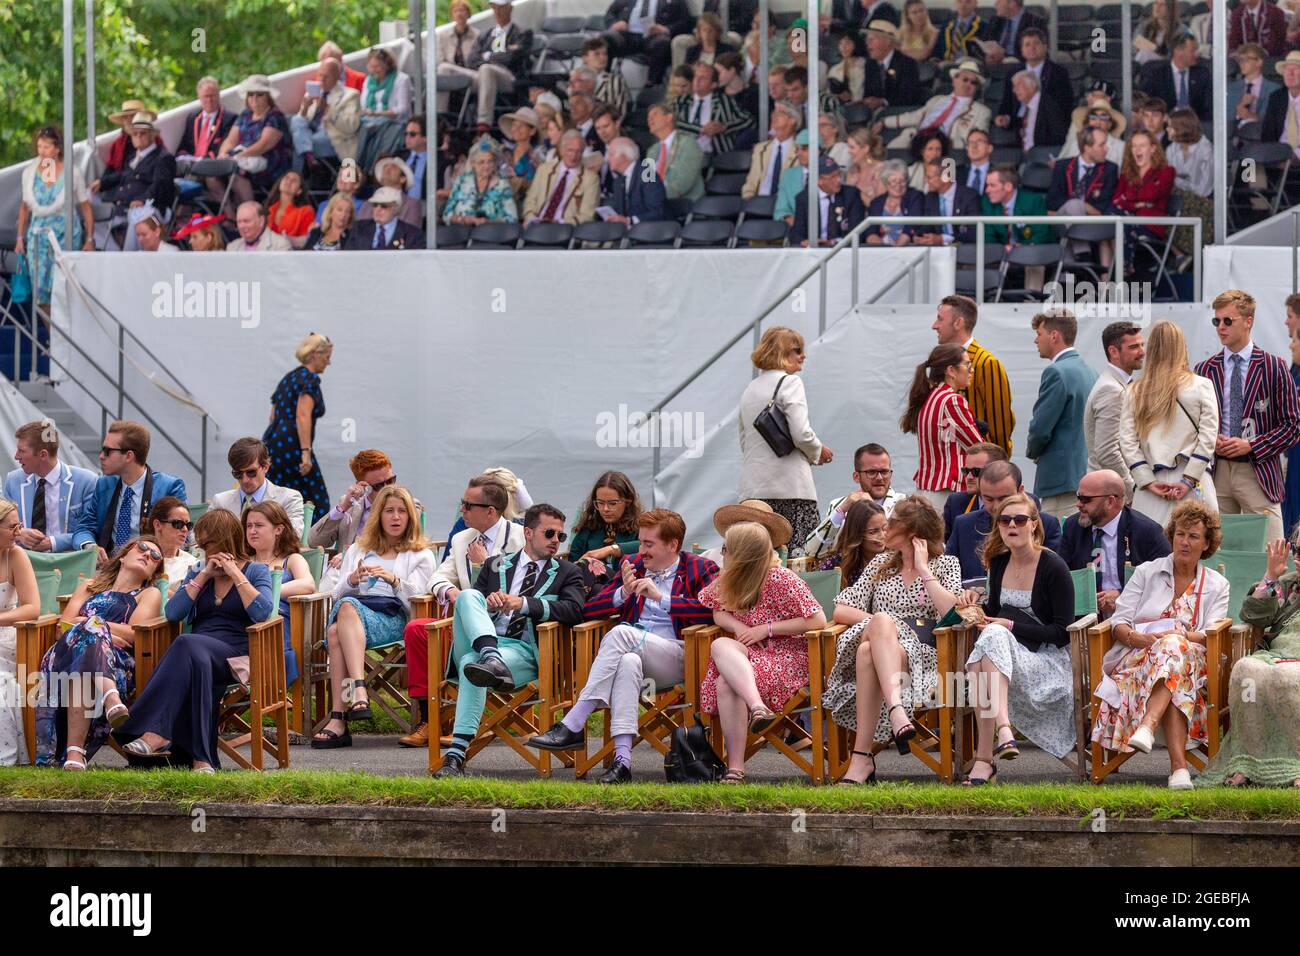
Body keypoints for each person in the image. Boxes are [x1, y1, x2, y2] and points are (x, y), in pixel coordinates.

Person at [527, 508, 718, 783]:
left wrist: (662, 599)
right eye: (640, 542)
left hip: (681, 654)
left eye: (649, 544)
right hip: (636, 656)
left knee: (621, 633)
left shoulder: (700, 568)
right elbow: (588, 610)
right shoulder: (634, 566)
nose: (642, 551)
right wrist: (622, 593)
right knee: (627, 661)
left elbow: (714, 612)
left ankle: (574, 722)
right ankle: (622, 762)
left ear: (673, 544)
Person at [113, 510, 274, 771]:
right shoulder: (199, 571)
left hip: (236, 654)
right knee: (193, 654)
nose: (204, 550)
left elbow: (262, 612)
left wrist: (234, 573)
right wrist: (203, 577)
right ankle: (202, 760)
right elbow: (175, 613)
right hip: (197, 656)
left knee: (186, 644)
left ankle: (155, 733)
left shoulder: (256, 571)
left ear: (227, 540)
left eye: (208, 544)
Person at [433, 504, 587, 776]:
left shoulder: (567, 572)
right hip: (487, 639)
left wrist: (523, 604)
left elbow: (574, 610)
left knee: (472, 664)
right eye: (549, 533)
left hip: (525, 651)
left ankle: (455, 757)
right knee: (468, 596)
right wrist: (491, 605)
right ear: (528, 532)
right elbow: (475, 605)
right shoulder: (496, 564)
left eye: (560, 536)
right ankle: (490, 655)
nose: (555, 541)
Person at [824, 496, 962, 783]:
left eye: (891, 524)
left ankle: (861, 759)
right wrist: (880, 627)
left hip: (923, 656)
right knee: (881, 623)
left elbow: (951, 613)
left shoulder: (945, 565)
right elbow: (841, 608)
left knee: (866, 654)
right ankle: (897, 711)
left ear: (911, 533)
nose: (883, 529)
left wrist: (924, 571)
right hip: (884, 644)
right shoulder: (880, 565)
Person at [1092, 501, 1229, 790]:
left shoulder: (1217, 584)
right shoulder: (1146, 572)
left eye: (1193, 536)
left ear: (1206, 543)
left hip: (1191, 660)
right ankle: (1178, 769)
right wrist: (1137, 638)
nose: (1184, 542)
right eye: (1180, 534)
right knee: (1174, 675)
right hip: (1140, 657)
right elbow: (1119, 622)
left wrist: (1175, 636)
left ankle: (1148, 726)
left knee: (1173, 652)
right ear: (1171, 536)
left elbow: (1209, 633)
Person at [397, 474, 525, 748]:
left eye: (468, 505)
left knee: (466, 637)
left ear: (490, 511)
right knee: (417, 629)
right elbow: (436, 577)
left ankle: (466, 721)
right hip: (466, 626)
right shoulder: (461, 539)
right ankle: (430, 719)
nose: (461, 511)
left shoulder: (519, 537)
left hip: (507, 629)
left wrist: (486, 563)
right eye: (462, 503)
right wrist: (453, 592)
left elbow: (517, 587)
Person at [957, 494, 1075, 784]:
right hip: (1002, 658)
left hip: (1046, 661)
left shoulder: (1053, 566)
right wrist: (976, 604)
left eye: (1020, 519)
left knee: (987, 649)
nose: (1012, 525)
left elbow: (1061, 633)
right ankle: (1001, 738)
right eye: (1005, 520)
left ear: (1034, 525)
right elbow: (995, 613)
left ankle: (987, 755)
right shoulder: (998, 563)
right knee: (986, 649)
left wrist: (1007, 625)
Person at [696, 521, 827, 784]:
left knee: (726, 683)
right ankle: (757, 708)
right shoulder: (731, 578)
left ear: (742, 553)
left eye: (726, 548)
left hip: (788, 656)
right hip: (749, 657)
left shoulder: (781, 578)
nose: (722, 553)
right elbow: (717, 611)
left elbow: (817, 620)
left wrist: (765, 629)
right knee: (720, 644)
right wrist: (738, 625)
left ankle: (735, 767)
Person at [311, 486, 435, 749]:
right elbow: (337, 593)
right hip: (354, 611)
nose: (395, 517)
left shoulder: (420, 553)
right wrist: (352, 580)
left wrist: (394, 580)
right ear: (379, 515)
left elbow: (420, 599)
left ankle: (340, 716)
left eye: (402, 511)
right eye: (389, 510)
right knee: (343, 614)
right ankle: (356, 694)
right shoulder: (359, 549)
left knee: (336, 630)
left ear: (410, 517)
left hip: (392, 617)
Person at [34, 536, 164, 768]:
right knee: (86, 642)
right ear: (123, 556)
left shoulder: (149, 594)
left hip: (116, 664)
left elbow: (135, 634)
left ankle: (74, 755)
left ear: (154, 572)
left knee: (85, 660)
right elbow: (63, 626)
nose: (148, 554)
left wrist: (92, 625)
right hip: (63, 654)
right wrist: (102, 630)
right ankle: (110, 698)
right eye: (143, 548)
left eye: (155, 556)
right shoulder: (89, 586)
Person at [1195, 290, 1300, 544]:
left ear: (1248, 321)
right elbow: (1195, 423)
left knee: (1270, 550)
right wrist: (1211, 440)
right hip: (1216, 470)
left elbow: (1292, 426)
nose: (1221, 327)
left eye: (1227, 321)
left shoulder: (1274, 366)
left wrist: (1252, 444)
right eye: (1216, 321)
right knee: (1216, 553)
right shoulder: (1205, 369)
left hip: (1258, 470)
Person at [1199, 532, 1300, 787]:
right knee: (1245, 671)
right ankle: (1246, 762)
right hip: (1275, 657)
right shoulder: (1288, 586)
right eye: (1297, 550)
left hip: (1292, 664)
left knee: (1287, 678)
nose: (1298, 558)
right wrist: (1271, 577)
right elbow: (1252, 617)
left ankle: (1295, 766)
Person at [738, 326, 833, 557]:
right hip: (791, 490)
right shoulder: (790, 383)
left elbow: (744, 441)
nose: (803, 355)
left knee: (756, 561)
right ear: (781, 352)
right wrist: (818, 451)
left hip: (754, 492)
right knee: (800, 560)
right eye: (797, 350)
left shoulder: (750, 389)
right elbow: (801, 433)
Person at [1118, 320, 1219, 526]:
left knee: (1147, 553)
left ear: (1151, 348)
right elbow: (1208, 438)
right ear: (1182, 347)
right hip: (1195, 483)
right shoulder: (1202, 386)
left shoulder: (1134, 391)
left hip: (1151, 489)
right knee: (1201, 549)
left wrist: (1146, 481)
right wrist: (1189, 479)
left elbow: (1127, 442)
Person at [1055, 469, 1172, 617]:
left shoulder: (1147, 532)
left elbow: (1165, 579)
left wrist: (1122, 595)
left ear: (1110, 501)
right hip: (1085, 619)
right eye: (1078, 497)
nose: (1078, 504)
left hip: (1133, 615)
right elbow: (1060, 575)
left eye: (1085, 499)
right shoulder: (1073, 526)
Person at [71, 421, 187, 558]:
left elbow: (179, 537)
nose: (101, 456)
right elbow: (84, 527)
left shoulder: (169, 487)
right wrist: (89, 546)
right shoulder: (104, 484)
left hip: (151, 566)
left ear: (129, 456)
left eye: (108, 451)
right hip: (108, 567)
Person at [1027, 310, 1099, 520]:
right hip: (1083, 473)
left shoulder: (1056, 372)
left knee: (1057, 543)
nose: (1035, 340)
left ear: (1054, 336)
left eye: (1039, 334)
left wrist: (1033, 451)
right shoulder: (1090, 370)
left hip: (1060, 481)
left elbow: (1040, 429)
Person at [16, 126, 94, 311]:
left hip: (65, 233)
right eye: (40, 147)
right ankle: (53, 336)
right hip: (38, 236)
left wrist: (90, 238)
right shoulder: (29, 173)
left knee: (62, 289)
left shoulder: (72, 172)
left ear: (57, 148)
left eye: (47, 147)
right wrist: (20, 238)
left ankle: (65, 336)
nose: (42, 151)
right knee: (40, 290)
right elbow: (24, 207)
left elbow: (85, 206)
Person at [947, 459, 1064, 581]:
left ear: (1021, 491)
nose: (997, 507)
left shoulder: (1047, 525)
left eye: (1004, 499)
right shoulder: (964, 524)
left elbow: (1056, 577)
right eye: (988, 499)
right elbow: (947, 575)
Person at [901, 343, 982, 512]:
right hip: (948, 492)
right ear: (951, 371)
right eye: (967, 365)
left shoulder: (931, 396)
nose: (971, 370)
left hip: (929, 489)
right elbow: (979, 449)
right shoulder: (952, 400)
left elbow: (948, 438)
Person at [930, 294, 1014, 455]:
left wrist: (995, 464)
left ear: (958, 323)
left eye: (940, 319)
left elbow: (1000, 424)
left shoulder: (986, 363)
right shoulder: (941, 361)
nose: (935, 326)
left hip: (977, 466)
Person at [244, 501, 314, 690]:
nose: (252, 531)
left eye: (259, 525)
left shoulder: (291, 559)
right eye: (249, 526)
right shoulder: (244, 562)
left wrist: (267, 595)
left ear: (278, 529)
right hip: (243, 624)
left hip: (279, 628)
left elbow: (308, 585)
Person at [264, 332, 332, 517]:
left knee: (278, 500)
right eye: (327, 357)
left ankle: (281, 539)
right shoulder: (309, 379)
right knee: (317, 501)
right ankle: (306, 541)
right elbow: (303, 415)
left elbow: (272, 416)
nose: (328, 362)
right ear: (315, 354)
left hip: (273, 444)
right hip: (293, 447)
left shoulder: (288, 378)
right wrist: (305, 453)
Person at [5, 420, 97, 553]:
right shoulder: (13, 481)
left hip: (69, 563)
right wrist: (19, 533)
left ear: (43, 454)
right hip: (25, 563)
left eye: (21, 451)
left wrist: (53, 543)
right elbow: (3, 526)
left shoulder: (86, 481)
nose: (16, 456)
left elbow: (92, 531)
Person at [91, 111, 177, 251]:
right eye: (134, 134)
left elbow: (160, 185)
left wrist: (142, 200)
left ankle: (128, 256)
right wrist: (102, 182)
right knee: (89, 207)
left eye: (142, 133)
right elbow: (122, 175)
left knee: (138, 213)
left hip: (152, 210)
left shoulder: (163, 157)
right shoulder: (133, 157)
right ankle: (113, 252)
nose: (138, 137)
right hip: (122, 207)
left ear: (152, 135)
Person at [805, 442, 903, 559]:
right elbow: (812, 552)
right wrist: (841, 511)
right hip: (848, 575)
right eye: (871, 472)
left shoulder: (903, 504)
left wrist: (872, 509)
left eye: (884, 471)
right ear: (856, 477)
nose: (879, 477)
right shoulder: (839, 505)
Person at [1084, 321, 1145, 501]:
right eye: (1134, 347)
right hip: (1113, 496)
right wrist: (1133, 488)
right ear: (1113, 351)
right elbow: (1107, 451)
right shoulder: (1111, 389)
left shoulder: (1119, 385)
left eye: (1142, 345)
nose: (1142, 351)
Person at [0, 499, 41, 764]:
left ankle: (5, 757)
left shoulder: (15, 556)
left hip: (7, 640)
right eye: (12, 527)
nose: (19, 533)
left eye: (20, 526)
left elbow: (32, 609)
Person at [876, 59, 989, 151]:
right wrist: (884, 122)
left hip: (947, 147)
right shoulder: (937, 100)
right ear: (955, 80)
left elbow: (979, 140)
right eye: (965, 79)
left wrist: (955, 144)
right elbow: (915, 116)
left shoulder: (981, 111)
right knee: (889, 160)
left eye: (973, 82)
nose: (968, 84)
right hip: (918, 138)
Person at [215, 75, 291, 210]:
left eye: (260, 94)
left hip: (269, 163)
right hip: (243, 158)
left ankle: (252, 214)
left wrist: (238, 156)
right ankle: (230, 218)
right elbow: (231, 139)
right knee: (212, 176)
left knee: (236, 174)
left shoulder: (275, 116)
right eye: (250, 94)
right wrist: (223, 154)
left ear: (268, 96)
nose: (254, 98)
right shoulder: (245, 114)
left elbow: (264, 145)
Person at [1107, 131, 1176, 278]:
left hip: (1149, 225)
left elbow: (1152, 195)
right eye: (1134, 146)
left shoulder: (1166, 171)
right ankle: (1121, 271)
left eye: (1142, 146)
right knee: (1112, 216)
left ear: (1152, 148)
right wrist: (1139, 204)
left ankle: (1121, 273)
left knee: (1117, 225)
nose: (1137, 150)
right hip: (1126, 223)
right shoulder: (1127, 174)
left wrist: (1129, 199)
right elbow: (1116, 201)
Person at [209, 436, 305, 538]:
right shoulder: (220, 501)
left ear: (266, 467)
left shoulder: (288, 498)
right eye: (238, 474)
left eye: (251, 472)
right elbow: (198, 538)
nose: (245, 479)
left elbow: (293, 537)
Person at [567, 471, 643, 594]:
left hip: (627, 590)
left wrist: (611, 549)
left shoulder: (641, 526)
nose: (605, 509)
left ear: (627, 502)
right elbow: (572, 563)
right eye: (600, 503)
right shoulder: (589, 528)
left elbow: (651, 546)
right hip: (590, 591)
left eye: (612, 503)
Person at [289, 57, 361, 174]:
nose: (321, 80)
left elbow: (351, 126)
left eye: (326, 76)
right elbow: (300, 124)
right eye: (320, 75)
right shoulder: (312, 92)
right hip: (310, 132)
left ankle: (300, 175)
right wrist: (306, 107)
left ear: (337, 77)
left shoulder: (350, 95)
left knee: (298, 144)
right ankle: (308, 157)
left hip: (333, 135)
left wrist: (327, 108)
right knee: (296, 120)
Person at [602, 0, 692, 86]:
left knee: (662, 43)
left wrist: (666, 29)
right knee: (608, 37)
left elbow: (685, 21)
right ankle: (604, 77)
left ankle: (652, 84)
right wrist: (614, 24)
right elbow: (610, 13)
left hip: (653, 37)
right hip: (627, 35)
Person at [355, 47, 415, 172]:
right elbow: (363, 104)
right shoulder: (369, 81)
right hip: (371, 120)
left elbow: (402, 109)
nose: (373, 70)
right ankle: (357, 168)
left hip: (395, 121)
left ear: (387, 65)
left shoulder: (401, 80)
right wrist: (368, 112)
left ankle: (370, 169)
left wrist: (378, 113)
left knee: (370, 130)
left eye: (378, 66)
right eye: (371, 66)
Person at [523, 129, 601, 224]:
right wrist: (531, 218)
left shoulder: (591, 179)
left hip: (565, 229)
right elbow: (530, 199)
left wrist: (559, 223)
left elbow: (587, 215)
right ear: (561, 150)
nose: (574, 156)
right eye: (570, 150)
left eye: (578, 151)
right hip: (537, 224)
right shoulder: (544, 170)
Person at [675, 61, 753, 156]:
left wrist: (724, 127)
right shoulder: (681, 101)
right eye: (696, 76)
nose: (697, 80)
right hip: (685, 154)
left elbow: (748, 121)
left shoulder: (724, 101)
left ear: (713, 85)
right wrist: (701, 129)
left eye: (703, 78)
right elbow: (674, 124)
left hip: (716, 156)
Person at [992, 27, 1072, 117]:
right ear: (1021, 50)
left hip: (1046, 124)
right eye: (1027, 45)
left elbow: (1065, 105)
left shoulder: (1059, 73)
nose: (1032, 48)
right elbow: (1006, 104)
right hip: (1017, 123)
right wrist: (1004, 118)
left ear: (1045, 47)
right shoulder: (1013, 73)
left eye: (1036, 43)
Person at [791, 155, 865, 246]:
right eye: (833, 177)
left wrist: (831, 243)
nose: (838, 180)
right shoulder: (804, 199)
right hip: (814, 252)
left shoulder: (851, 195)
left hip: (843, 251)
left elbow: (857, 232)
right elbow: (797, 233)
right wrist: (804, 242)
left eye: (839, 174)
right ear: (818, 180)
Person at [1138, 34, 1211, 126]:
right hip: (1164, 124)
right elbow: (1146, 102)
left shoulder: (1202, 74)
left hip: (1195, 125)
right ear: (1178, 52)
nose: (1197, 54)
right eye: (1193, 51)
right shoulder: (1157, 74)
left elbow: (1209, 106)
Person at [443, 140, 519, 225]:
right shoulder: (461, 181)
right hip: (461, 233)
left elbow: (512, 218)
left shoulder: (502, 184)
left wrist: (487, 222)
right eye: (481, 162)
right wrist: (462, 219)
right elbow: (447, 213)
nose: (486, 166)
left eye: (490, 161)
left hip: (492, 235)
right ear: (473, 164)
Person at [941, 442, 1007, 536]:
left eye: (976, 471)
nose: (969, 477)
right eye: (966, 471)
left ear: (999, 471)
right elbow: (945, 544)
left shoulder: (1025, 504)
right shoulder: (956, 502)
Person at [646, 103, 706, 202]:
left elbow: (683, 183)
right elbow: (646, 179)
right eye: (648, 117)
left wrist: (654, 197)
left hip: (683, 203)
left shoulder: (688, 143)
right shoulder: (651, 150)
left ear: (669, 117)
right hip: (656, 203)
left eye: (655, 114)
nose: (649, 119)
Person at [741, 102, 801, 199]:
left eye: (780, 113)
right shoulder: (760, 149)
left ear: (792, 120)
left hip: (785, 205)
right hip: (758, 203)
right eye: (773, 112)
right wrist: (748, 197)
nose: (774, 116)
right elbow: (751, 181)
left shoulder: (801, 150)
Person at [821, 500, 887, 588]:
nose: (882, 536)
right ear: (856, 534)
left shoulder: (896, 559)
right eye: (873, 532)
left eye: (885, 528)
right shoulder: (837, 563)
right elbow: (821, 594)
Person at [861, 20, 921, 112]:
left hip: (900, 114)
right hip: (874, 115)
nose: (867, 43)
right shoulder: (870, 64)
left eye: (872, 39)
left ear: (887, 41)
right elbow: (868, 92)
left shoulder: (907, 64)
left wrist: (883, 102)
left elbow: (908, 96)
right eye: (867, 39)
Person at [917, 160, 981, 246]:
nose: (926, 181)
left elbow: (973, 233)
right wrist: (919, 236)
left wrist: (943, 239)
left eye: (929, 177)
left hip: (966, 250)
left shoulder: (969, 196)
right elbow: (927, 226)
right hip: (939, 251)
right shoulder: (931, 197)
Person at [604, 138, 668, 224]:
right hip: (626, 234)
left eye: (611, 154)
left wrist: (630, 221)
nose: (608, 159)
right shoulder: (617, 182)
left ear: (623, 156)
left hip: (651, 232)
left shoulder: (647, 174)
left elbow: (658, 212)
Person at [435, 0, 481, 114]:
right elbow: (439, 60)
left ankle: (440, 114)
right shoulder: (442, 35)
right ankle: (439, 115)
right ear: (452, 14)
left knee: (444, 69)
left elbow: (477, 61)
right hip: (449, 73)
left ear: (468, 13)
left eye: (462, 10)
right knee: (442, 70)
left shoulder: (478, 35)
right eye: (456, 11)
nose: (459, 14)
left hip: (470, 73)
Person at [1003, 70, 1068, 151]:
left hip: (1042, 155)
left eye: (1018, 85)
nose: (1014, 90)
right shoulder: (1022, 106)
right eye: (1014, 86)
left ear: (1033, 85)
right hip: (1023, 156)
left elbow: (1059, 136)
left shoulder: (1050, 105)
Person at [176, 76, 236, 161]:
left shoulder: (229, 118)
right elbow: (183, 146)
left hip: (213, 166)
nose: (209, 100)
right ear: (199, 97)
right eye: (206, 96)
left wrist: (201, 161)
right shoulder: (193, 118)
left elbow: (223, 149)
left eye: (212, 96)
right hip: (190, 166)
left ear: (218, 95)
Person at [864, 160, 922, 245]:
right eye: (893, 181)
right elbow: (870, 233)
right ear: (886, 183)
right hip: (882, 251)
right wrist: (883, 250)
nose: (898, 185)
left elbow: (911, 226)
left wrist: (895, 250)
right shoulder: (877, 202)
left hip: (908, 248)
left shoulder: (915, 196)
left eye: (902, 181)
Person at [345, 187, 425, 249]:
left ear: (395, 209)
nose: (378, 210)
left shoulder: (412, 234)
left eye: (384, 206)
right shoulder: (359, 228)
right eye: (375, 205)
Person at [358, 156, 423, 228]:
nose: (387, 169)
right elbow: (359, 231)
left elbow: (411, 233)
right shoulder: (367, 204)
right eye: (385, 167)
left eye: (393, 167)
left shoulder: (412, 205)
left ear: (402, 179)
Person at [148, 496, 198, 586]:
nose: (185, 529)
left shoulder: (193, 564)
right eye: (178, 524)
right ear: (158, 525)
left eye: (188, 525)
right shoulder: (140, 555)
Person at [1226, 44, 1278, 130]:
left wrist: (1251, 116)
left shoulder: (1274, 89)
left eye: (1247, 60)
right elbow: (1225, 118)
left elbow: (1272, 119)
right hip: (1235, 137)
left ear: (1259, 62)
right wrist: (1242, 104)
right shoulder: (1231, 88)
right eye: (1240, 60)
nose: (1242, 63)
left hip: (1261, 136)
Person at [500, 107, 544, 201]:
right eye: (514, 125)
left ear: (532, 131)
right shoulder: (505, 151)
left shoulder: (536, 157)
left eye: (521, 126)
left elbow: (538, 186)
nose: (516, 129)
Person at [264, 171, 316, 248]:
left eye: (294, 180)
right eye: (286, 178)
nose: (289, 181)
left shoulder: (306, 211)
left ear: (299, 191)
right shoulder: (268, 209)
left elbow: (306, 241)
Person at [584, 37, 629, 120]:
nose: (602, 58)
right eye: (597, 54)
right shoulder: (577, 80)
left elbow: (620, 112)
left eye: (605, 54)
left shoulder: (616, 81)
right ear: (585, 58)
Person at [226, 201, 293, 252]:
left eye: (246, 221)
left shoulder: (280, 245)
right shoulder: (232, 247)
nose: (242, 226)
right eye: (239, 222)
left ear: (261, 221)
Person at [843, 126, 887, 202]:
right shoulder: (852, 171)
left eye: (852, 147)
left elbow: (880, 205)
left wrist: (858, 194)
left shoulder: (881, 170)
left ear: (865, 148)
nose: (849, 151)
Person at [829, 31, 867, 104]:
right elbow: (830, 95)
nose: (843, 47)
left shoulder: (866, 65)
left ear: (856, 44)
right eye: (841, 43)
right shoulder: (834, 70)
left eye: (847, 43)